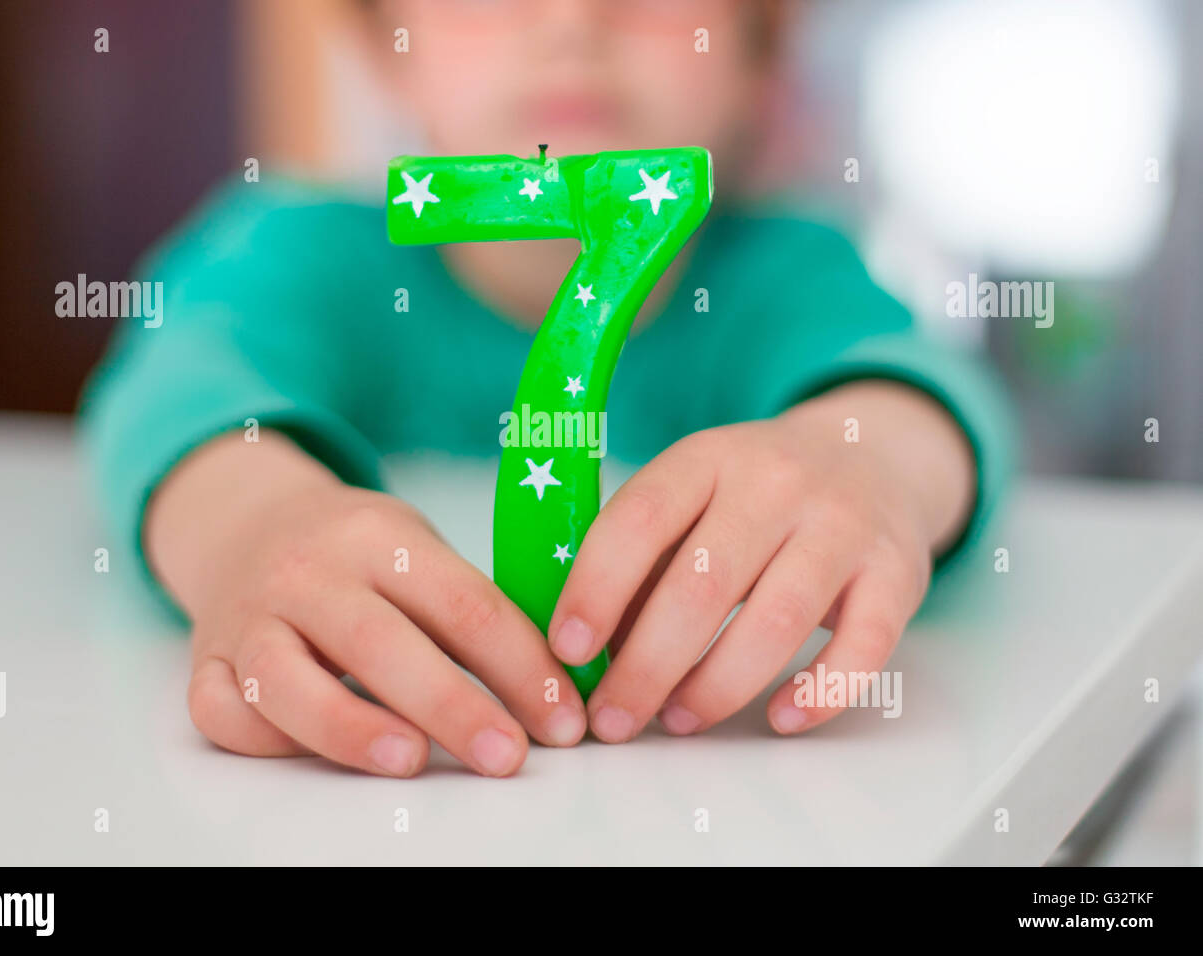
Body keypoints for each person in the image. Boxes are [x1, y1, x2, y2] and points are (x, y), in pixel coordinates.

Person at [78, 0, 1014, 778]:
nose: (571, 22)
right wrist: (249, 522)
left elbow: (926, 396)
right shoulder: (290, 252)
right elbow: (170, 384)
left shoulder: (792, 272)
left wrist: (865, 466)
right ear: (386, 46)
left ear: (757, 57)